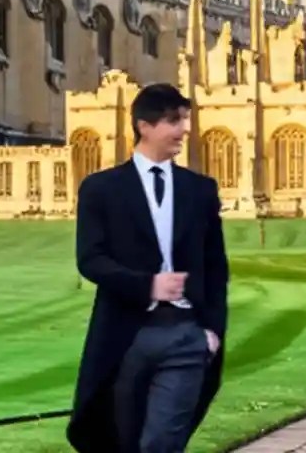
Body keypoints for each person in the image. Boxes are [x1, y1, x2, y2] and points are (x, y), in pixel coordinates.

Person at [67, 83, 229, 453]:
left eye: (185, 119)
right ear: (144, 125)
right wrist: (148, 286)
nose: (185, 130)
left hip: (187, 334)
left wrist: (212, 330)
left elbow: (215, 267)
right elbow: (90, 259)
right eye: (174, 121)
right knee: (122, 440)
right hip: (127, 334)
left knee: (163, 441)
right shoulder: (101, 189)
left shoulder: (200, 189)